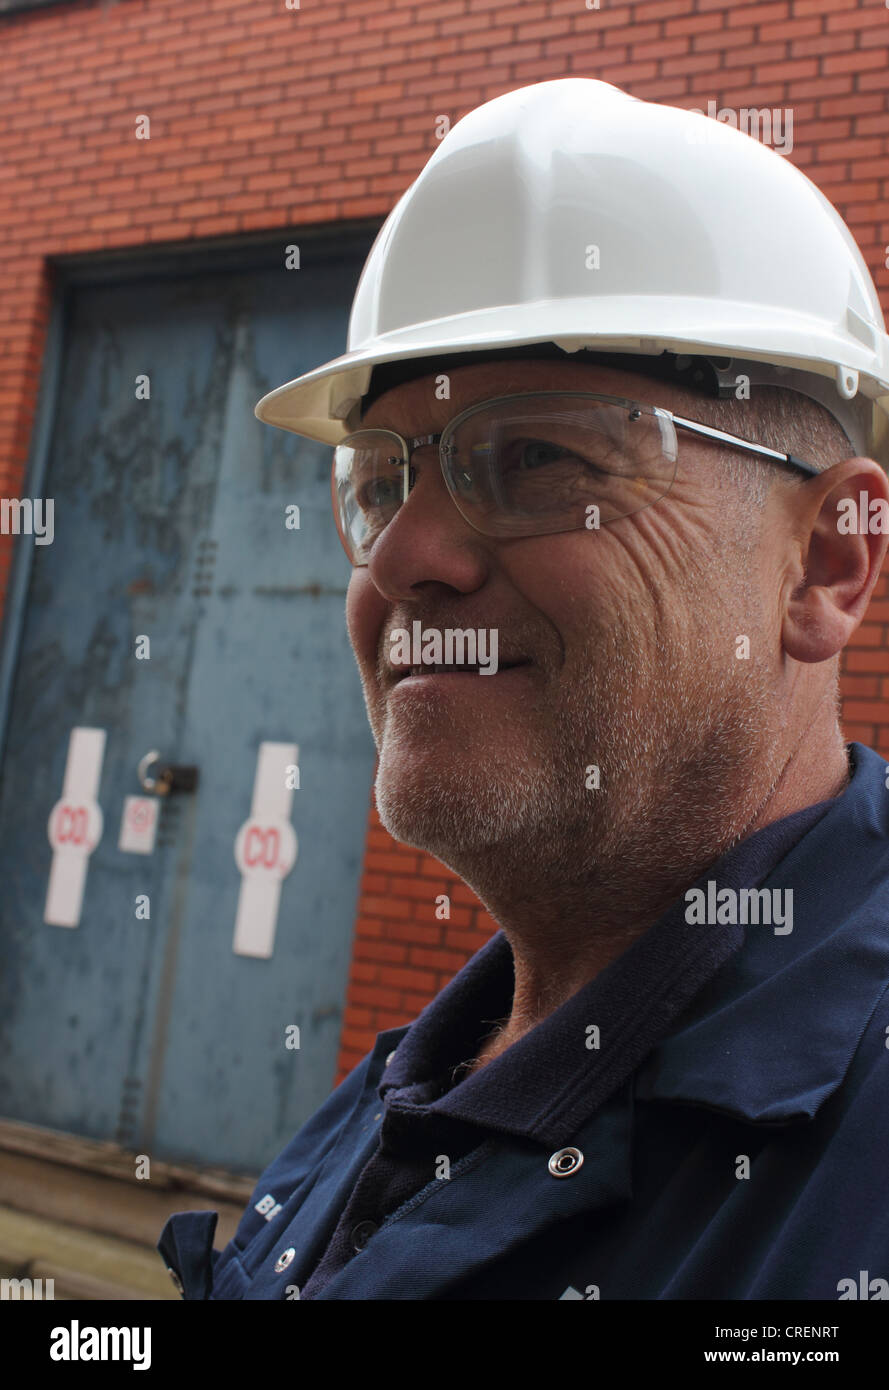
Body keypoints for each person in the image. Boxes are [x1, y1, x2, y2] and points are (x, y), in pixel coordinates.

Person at [158, 78, 889, 1300]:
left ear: (823, 561)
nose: (399, 559)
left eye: (539, 457)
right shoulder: (418, 1089)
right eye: (384, 482)